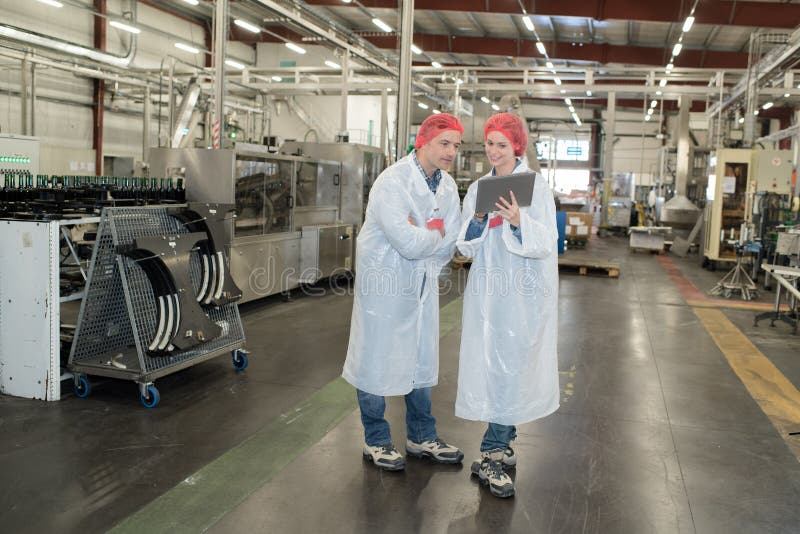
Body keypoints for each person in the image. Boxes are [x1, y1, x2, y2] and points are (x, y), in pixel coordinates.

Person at [342, 113, 465, 471]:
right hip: (385, 284)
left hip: (423, 285)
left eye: (456, 145)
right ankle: (376, 439)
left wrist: (428, 234)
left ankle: (421, 435)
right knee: (375, 359)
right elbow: (407, 241)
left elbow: (449, 241)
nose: (451, 151)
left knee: (420, 360)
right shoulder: (392, 182)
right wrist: (434, 234)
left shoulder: (447, 186)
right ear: (423, 141)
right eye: (445, 143)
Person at [455, 113, 559, 498]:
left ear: (517, 146)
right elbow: (464, 245)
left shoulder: (536, 187)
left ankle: (495, 446)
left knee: (513, 366)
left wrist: (518, 221)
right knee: (498, 367)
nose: (493, 151)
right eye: (489, 143)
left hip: (524, 291)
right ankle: (494, 449)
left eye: (502, 144)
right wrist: (479, 219)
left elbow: (547, 239)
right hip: (489, 291)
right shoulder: (479, 186)